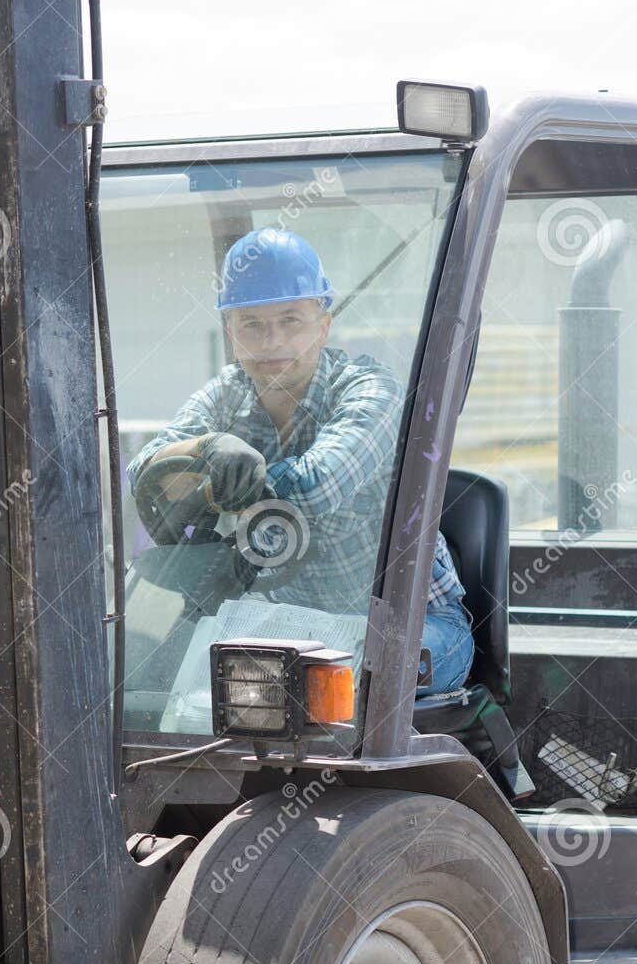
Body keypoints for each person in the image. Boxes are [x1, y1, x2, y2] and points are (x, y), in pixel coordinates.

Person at [127, 227, 473, 694]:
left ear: (323, 327)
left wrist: (217, 487)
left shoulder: (370, 389)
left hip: (411, 627)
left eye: (290, 320)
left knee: (319, 689)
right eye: (252, 324)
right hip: (291, 626)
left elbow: (315, 486)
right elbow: (145, 472)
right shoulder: (226, 395)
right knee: (157, 678)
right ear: (231, 333)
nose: (271, 341)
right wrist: (204, 448)